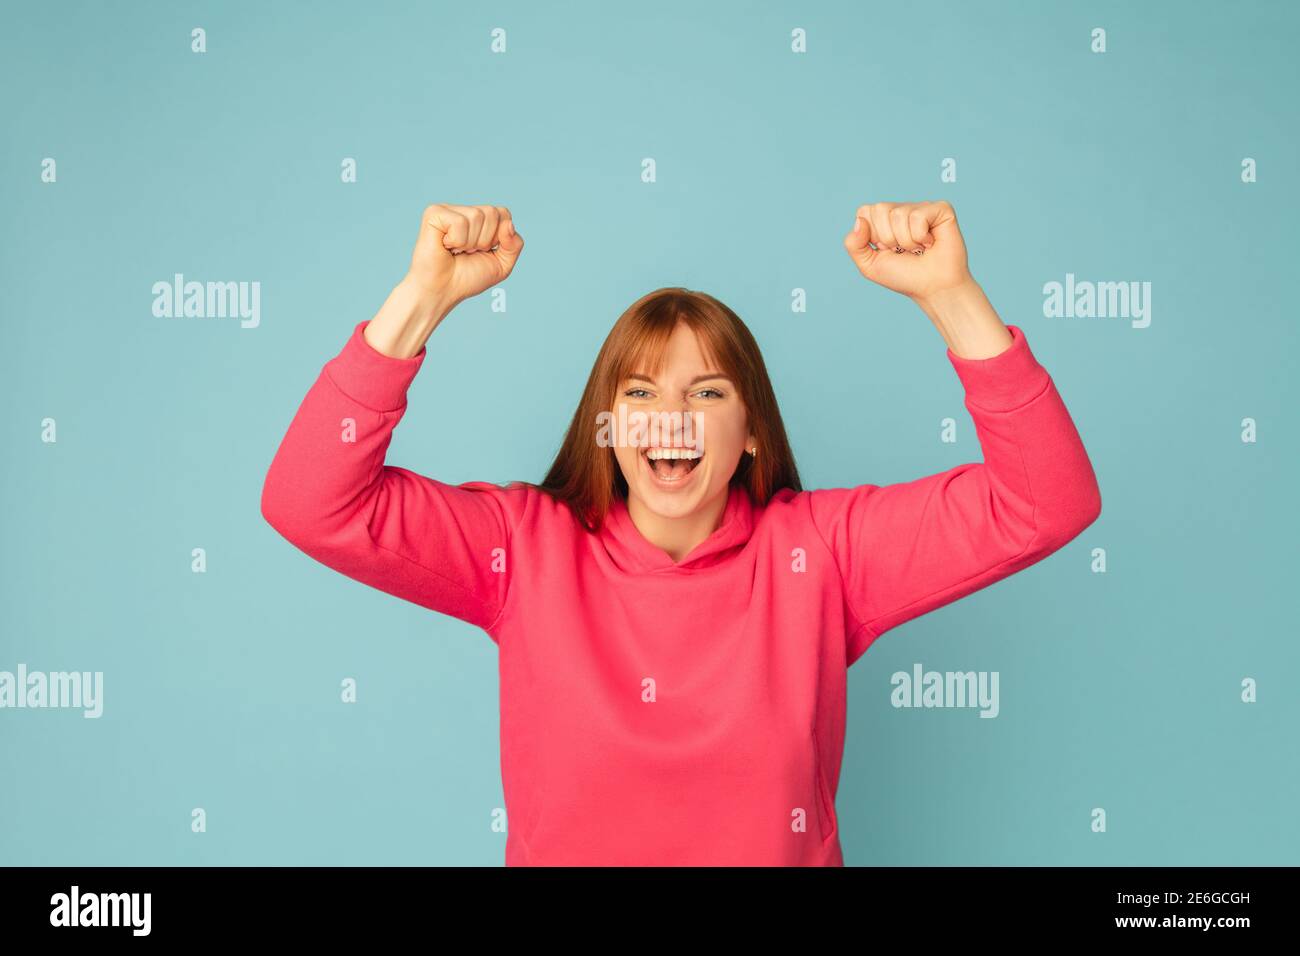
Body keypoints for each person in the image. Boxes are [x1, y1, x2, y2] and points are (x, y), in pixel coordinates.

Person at [260, 201, 1101, 866]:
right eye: (639, 395)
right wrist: (420, 302)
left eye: (706, 394)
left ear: (752, 433)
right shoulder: (523, 548)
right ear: (605, 427)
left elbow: (1046, 502)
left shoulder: (825, 554)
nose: (671, 420)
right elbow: (312, 503)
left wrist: (952, 297)